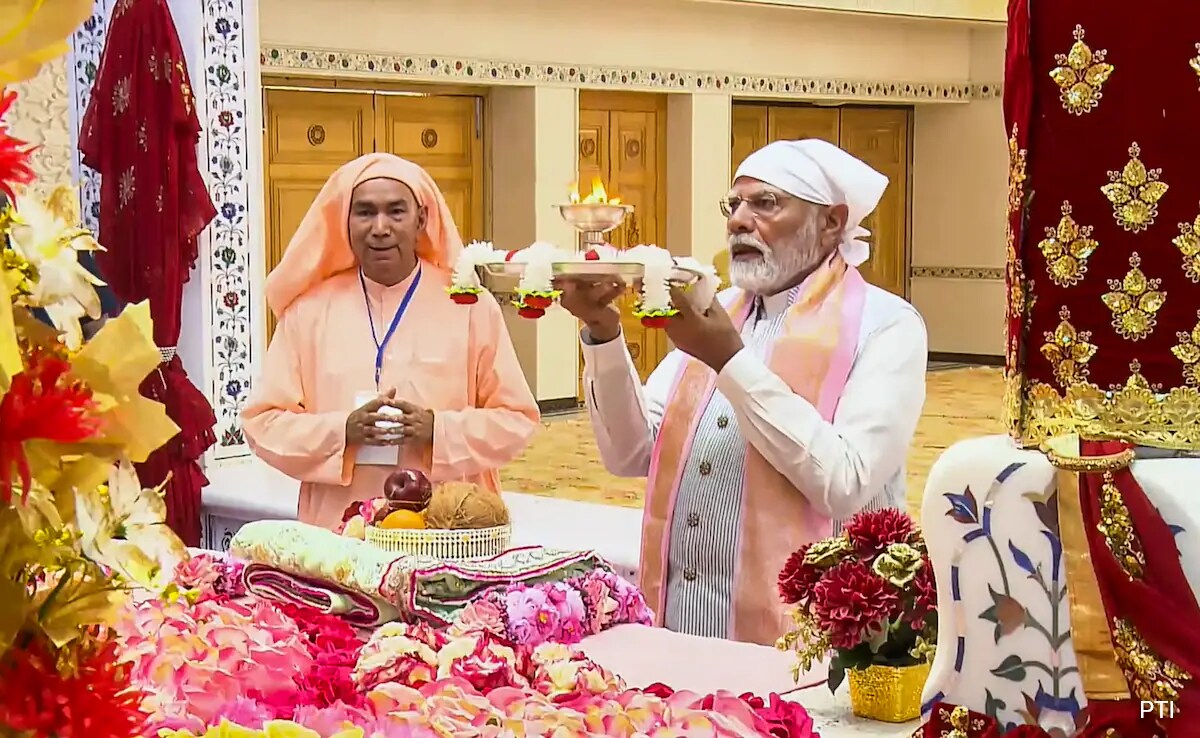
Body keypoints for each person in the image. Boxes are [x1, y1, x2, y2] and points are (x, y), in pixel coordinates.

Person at [558, 139, 928, 646]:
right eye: (733, 205)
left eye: (766, 204)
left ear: (833, 221)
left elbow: (845, 481)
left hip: (809, 646)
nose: (738, 221)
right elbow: (630, 452)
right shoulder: (718, 310)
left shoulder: (886, 327)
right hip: (681, 626)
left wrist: (728, 361)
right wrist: (602, 332)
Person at [242, 153, 539, 529]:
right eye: (365, 212)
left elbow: (517, 420)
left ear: (421, 219)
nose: (379, 227)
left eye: (395, 212)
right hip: (339, 536)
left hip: (447, 529)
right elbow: (262, 422)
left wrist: (437, 430)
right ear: (345, 222)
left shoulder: (468, 305)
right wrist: (341, 432)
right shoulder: (309, 310)